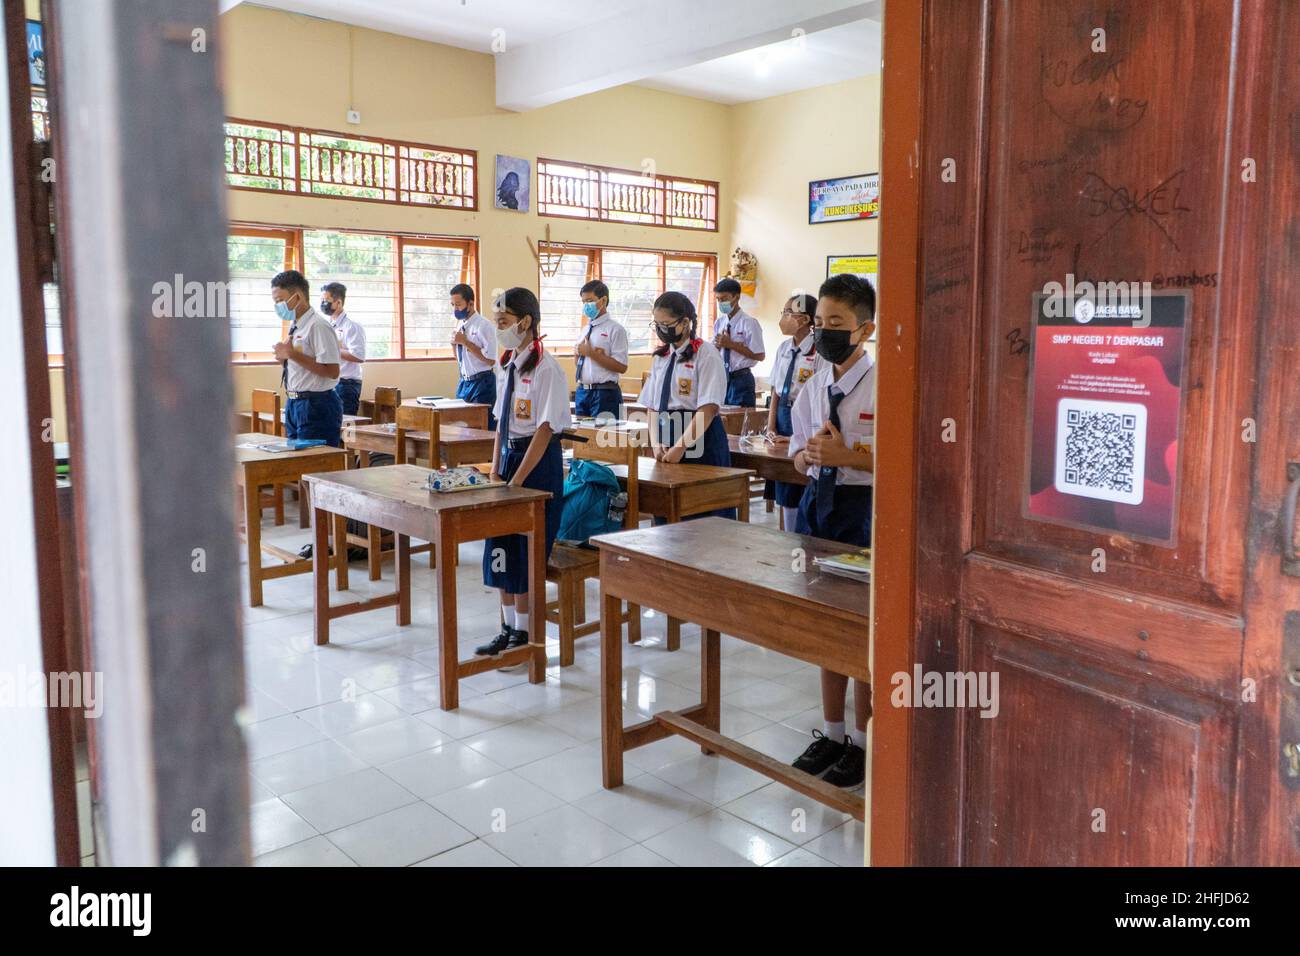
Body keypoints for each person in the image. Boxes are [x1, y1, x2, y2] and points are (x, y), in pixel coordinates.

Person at [787, 273, 877, 788]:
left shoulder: (883, 384)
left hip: (861, 509)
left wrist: (851, 455)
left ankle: (862, 742)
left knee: (858, 628)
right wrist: (808, 456)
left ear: (864, 330)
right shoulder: (814, 384)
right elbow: (798, 454)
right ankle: (831, 729)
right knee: (824, 622)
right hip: (816, 506)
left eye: (836, 324)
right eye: (819, 322)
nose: (824, 333)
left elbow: (906, 464)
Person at [475, 288, 571, 657]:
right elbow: (500, 423)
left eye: (503, 322)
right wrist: (496, 471)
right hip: (509, 461)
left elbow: (545, 430)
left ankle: (527, 637)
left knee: (527, 552)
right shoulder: (506, 363)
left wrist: (516, 483)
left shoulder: (548, 368)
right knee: (501, 549)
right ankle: (507, 628)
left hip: (537, 465)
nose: (498, 329)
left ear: (526, 322)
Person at [638, 290, 735, 520]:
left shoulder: (706, 354)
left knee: (702, 513)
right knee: (667, 511)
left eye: (666, 323)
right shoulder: (661, 357)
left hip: (699, 436)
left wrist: (680, 447)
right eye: (657, 324)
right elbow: (652, 406)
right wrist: (656, 442)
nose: (662, 329)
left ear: (685, 323)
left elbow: (708, 409)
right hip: (666, 435)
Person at [765, 292, 823, 531]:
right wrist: (771, 425)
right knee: (784, 483)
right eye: (783, 313)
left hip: (806, 417)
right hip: (783, 415)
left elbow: (819, 399)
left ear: (805, 319)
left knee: (802, 479)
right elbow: (776, 391)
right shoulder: (783, 349)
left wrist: (797, 437)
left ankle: (802, 536)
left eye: (788, 313)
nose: (784, 318)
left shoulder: (819, 351)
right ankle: (789, 535)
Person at [271, 269, 342, 448]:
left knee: (314, 466)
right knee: (297, 467)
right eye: (275, 302)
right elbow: (300, 364)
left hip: (316, 405)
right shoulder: (296, 326)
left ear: (297, 297)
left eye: (280, 300)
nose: (277, 306)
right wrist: (284, 358)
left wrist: (292, 354)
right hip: (295, 403)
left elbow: (332, 371)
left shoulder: (318, 326)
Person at [573, 279, 629, 420]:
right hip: (583, 391)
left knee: (603, 438)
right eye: (584, 302)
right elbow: (583, 364)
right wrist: (577, 355)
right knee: (583, 438)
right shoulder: (585, 329)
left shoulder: (616, 329)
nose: (586, 306)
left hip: (605, 393)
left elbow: (622, 367)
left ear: (603, 300)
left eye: (590, 301)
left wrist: (591, 353)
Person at [450, 283, 498, 429]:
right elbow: (460, 360)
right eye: (452, 305)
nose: (455, 309)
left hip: (482, 382)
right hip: (464, 382)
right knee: (462, 427)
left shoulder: (484, 325)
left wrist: (465, 342)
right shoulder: (460, 326)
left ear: (470, 303)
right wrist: (454, 345)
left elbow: (490, 359)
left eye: (458, 304)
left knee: (482, 427)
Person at [711, 277, 765, 407]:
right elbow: (715, 350)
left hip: (741, 379)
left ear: (736, 297)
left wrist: (731, 345)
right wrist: (717, 346)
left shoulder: (749, 323)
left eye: (724, 299)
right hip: (722, 377)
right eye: (718, 299)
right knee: (722, 418)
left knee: (739, 421)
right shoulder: (719, 322)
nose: (720, 303)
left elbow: (760, 355)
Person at [319, 282, 366, 416]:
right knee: (330, 426)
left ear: (338, 302)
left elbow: (359, 356)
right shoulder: (327, 325)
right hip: (329, 383)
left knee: (346, 428)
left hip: (347, 384)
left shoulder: (351, 326)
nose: (323, 304)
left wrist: (332, 349)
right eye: (321, 300)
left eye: (326, 301)